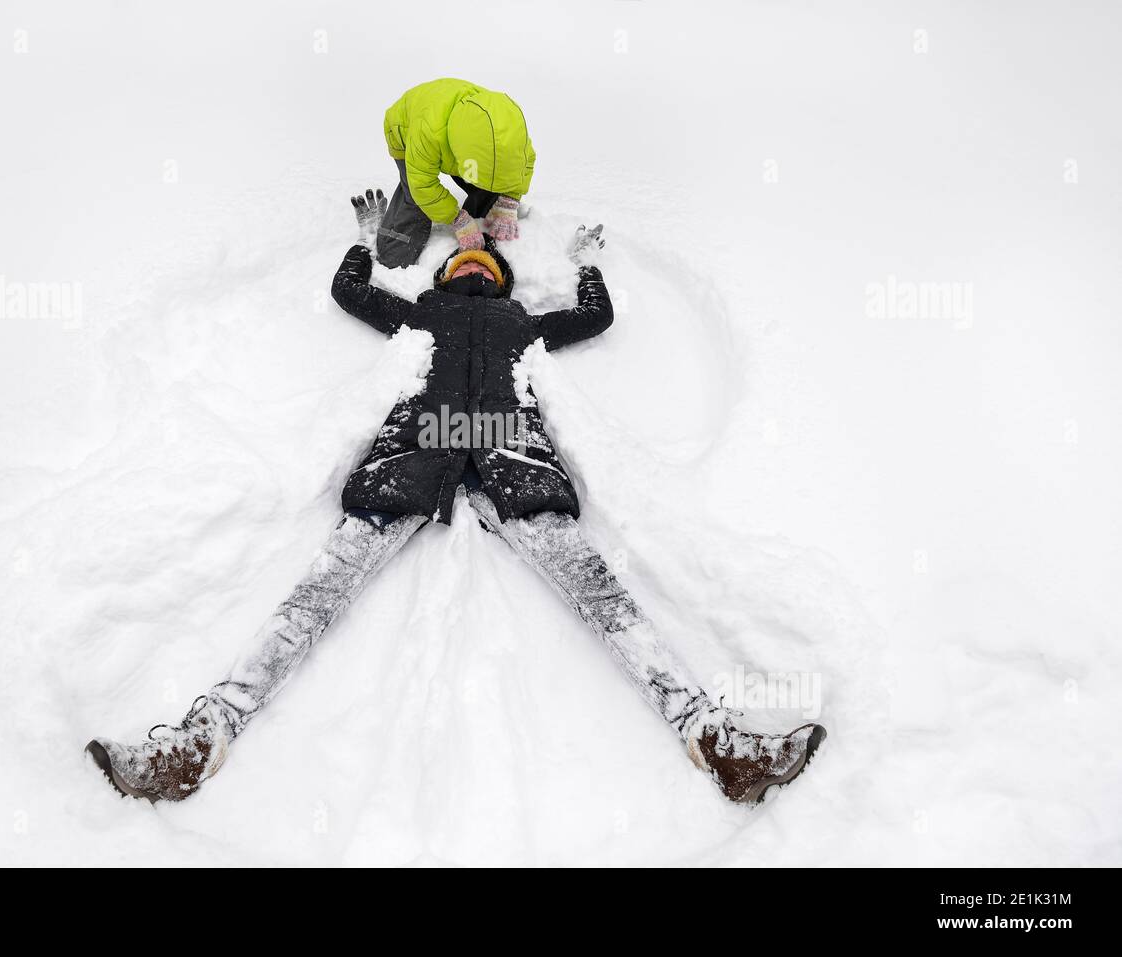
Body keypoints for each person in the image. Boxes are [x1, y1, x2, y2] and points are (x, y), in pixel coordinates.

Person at [85, 192, 827, 806]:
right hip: (415, 455)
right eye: (462, 258)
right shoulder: (423, 314)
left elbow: (595, 318)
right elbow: (349, 293)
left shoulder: (521, 324)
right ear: (445, 277)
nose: (473, 262)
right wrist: (366, 242)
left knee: (607, 601)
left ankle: (715, 739)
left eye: (484, 258)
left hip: (513, 458)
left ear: (500, 278)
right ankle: (200, 737)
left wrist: (586, 264)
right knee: (312, 601)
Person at [374, 77, 534, 268]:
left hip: (462, 137)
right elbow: (422, 185)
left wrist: (509, 200)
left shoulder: (510, 136)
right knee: (415, 202)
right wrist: (457, 219)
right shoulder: (427, 132)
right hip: (404, 129)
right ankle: (391, 256)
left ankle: (480, 223)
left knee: (490, 188)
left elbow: (523, 165)